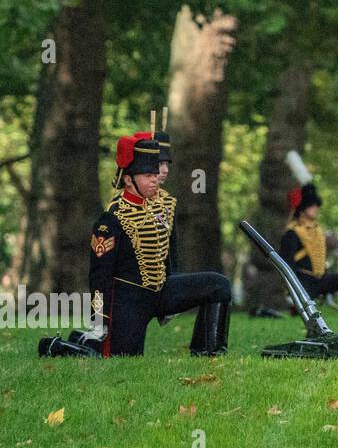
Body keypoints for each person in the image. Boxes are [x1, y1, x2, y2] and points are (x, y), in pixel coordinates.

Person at [40, 134, 231, 357]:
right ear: (129, 180)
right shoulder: (110, 220)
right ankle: (58, 346)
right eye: (147, 175)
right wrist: (99, 320)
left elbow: (168, 254)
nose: (154, 180)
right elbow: (99, 278)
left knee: (218, 285)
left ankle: (208, 353)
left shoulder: (162, 208)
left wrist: (173, 281)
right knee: (120, 357)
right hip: (128, 302)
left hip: (160, 291)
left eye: (154, 174)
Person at [279, 181, 338, 311]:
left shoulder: (317, 230)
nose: (316, 208)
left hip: (320, 279)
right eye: (312, 206)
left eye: (316, 205)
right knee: (305, 310)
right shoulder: (292, 232)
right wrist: (291, 289)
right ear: (301, 209)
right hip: (303, 282)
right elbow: (286, 263)